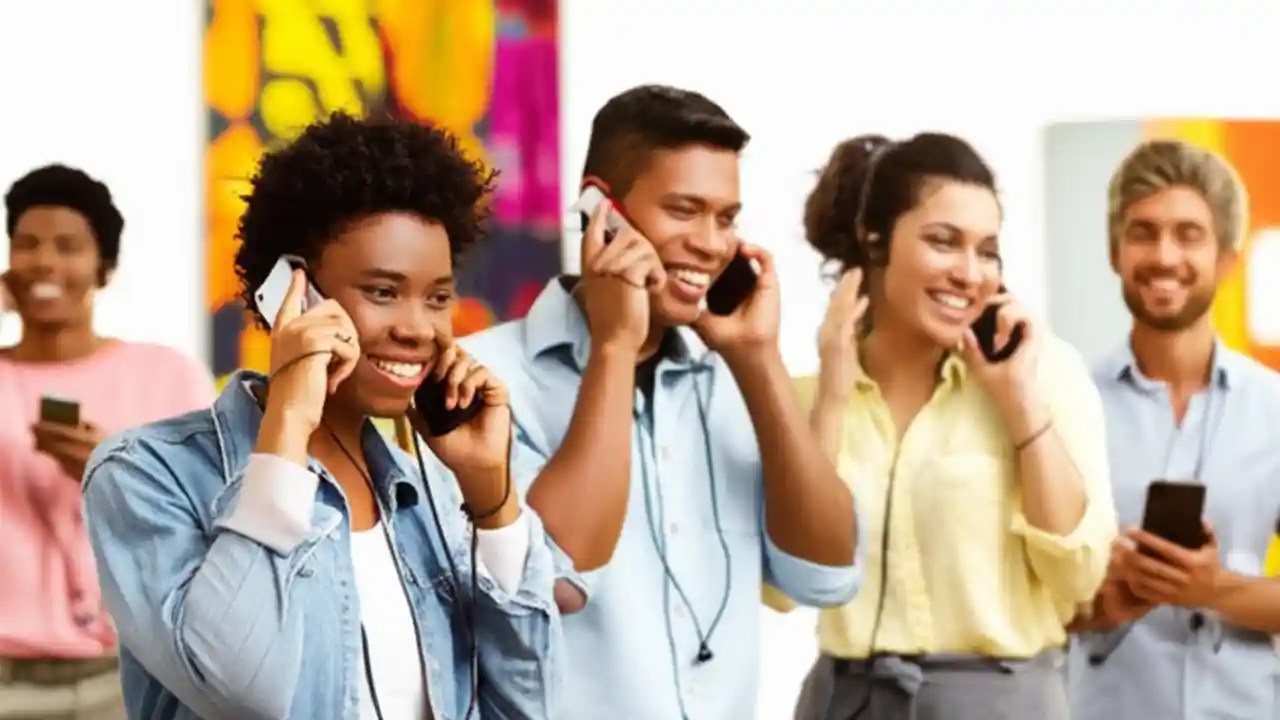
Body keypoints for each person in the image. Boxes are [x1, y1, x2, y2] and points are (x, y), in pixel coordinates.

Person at [80, 113, 564, 720]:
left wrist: (491, 500)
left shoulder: (439, 493)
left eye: (437, 297)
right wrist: (288, 417)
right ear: (293, 294)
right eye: (383, 292)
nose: (418, 328)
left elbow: (531, 704)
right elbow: (243, 689)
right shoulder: (146, 476)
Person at [461, 84, 863, 719]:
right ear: (600, 208)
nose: (711, 243)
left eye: (727, 217)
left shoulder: (733, 377)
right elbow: (554, 578)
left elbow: (825, 577)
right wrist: (616, 347)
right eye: (685, 209)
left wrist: (759, 361)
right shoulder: (485, 378)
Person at [777, 133, 1117, 720]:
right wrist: (832, 397)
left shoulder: (1043, 375)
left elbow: (1078, 575)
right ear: (874, 241)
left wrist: (1019, 405)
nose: (969, 273)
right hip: (845, 701)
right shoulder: (806, 397)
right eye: (943, 243)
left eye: (988, 251)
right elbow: (782, 588)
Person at [1066, 139, 1280, 719]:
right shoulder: (1067, 407)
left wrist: (1214, 590)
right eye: (1143, 232)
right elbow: (1022, 601)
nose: (1164, 255)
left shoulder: (1274, 409)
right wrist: (1103, 599)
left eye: (1189, 234)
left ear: (1227, 259)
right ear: (1115, 251)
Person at [0, 164, 214, 720]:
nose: (44, 261)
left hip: (125, 678)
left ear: (105, 268)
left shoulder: (167, 375)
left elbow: (210, 520)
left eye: (68, 246)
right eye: (26, 244)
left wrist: (116, 470)